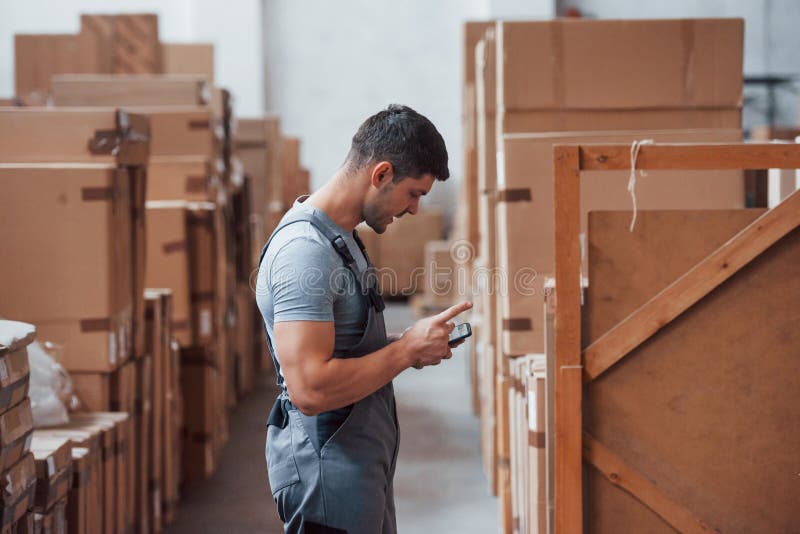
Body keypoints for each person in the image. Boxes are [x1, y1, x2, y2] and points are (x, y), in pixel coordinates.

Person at [256, 104, 472, 534]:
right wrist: (405, 352)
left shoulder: (342, 239)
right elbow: (310, 388)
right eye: (414, 193)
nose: (414, 210)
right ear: (381, 174)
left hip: (357, 466)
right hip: (327, 477)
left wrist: (405, 343)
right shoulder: (305, 252)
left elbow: (342, 342)